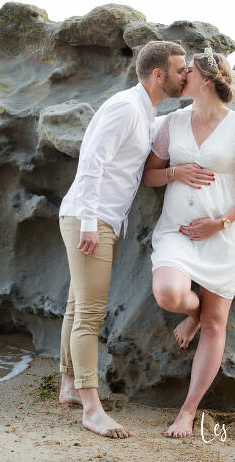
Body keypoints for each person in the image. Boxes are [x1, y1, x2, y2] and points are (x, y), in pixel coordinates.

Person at [57, 41, 188, 439]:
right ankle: (92, 409)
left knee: (76, 306)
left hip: (100, 218)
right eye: (180, 69)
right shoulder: (126, 108)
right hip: (89, 217)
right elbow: (92, 161)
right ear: (158, 75)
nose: (185, 75)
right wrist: (91, 222)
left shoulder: (145, 112)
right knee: (91, 314)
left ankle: (69, 387)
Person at [143, 48, 235, 438]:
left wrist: (220, 223)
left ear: (207, 81)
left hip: (222, 238)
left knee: (216, 324)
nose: (183, 76)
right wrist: (176, 173)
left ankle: (187, 411)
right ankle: (191, 310)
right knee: (168, 293)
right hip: (177, 232)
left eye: (190, 72)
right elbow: (150, 176)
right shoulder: (171, 123)